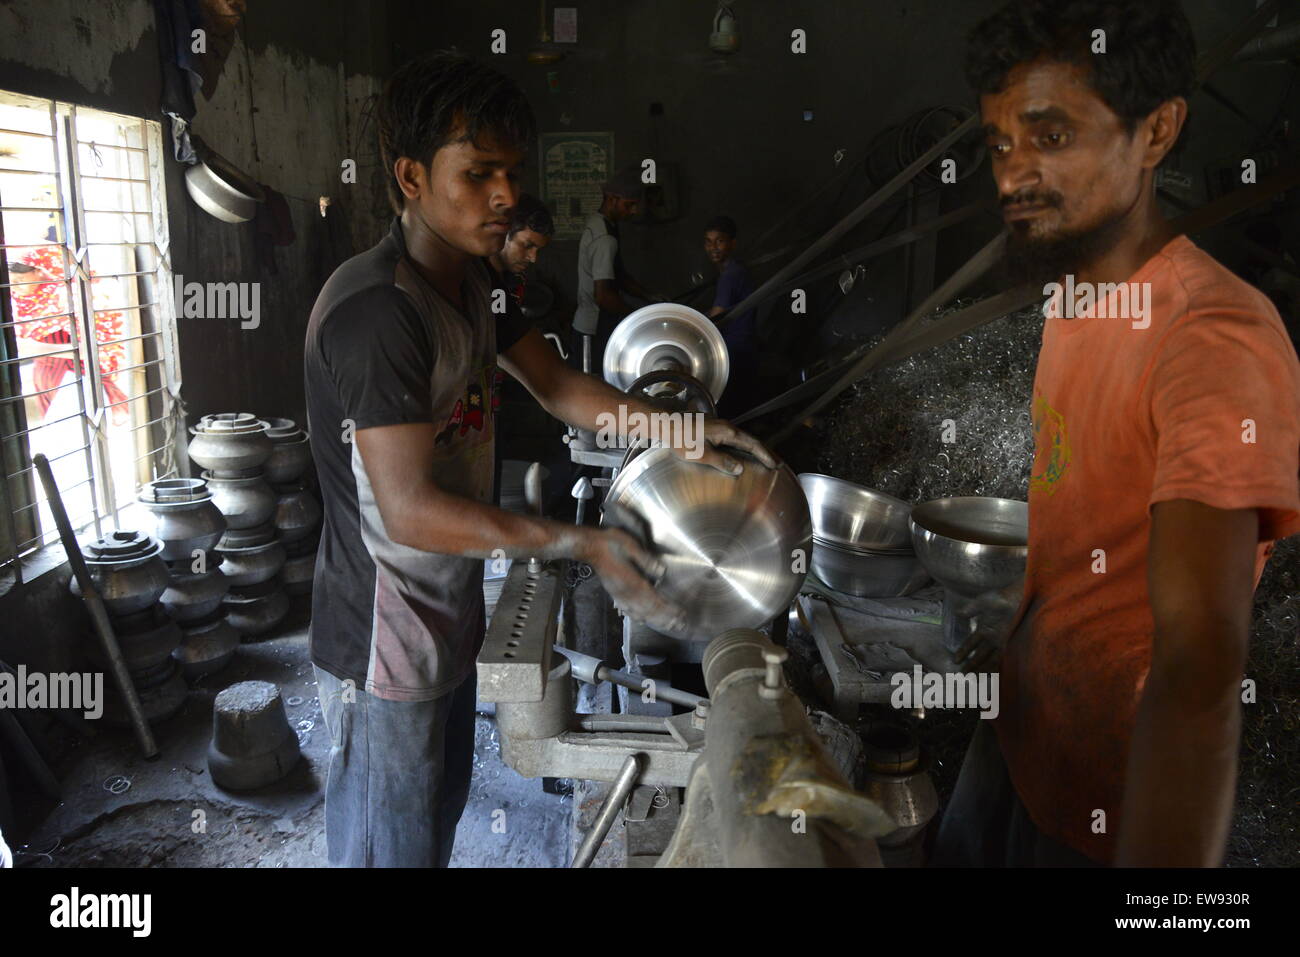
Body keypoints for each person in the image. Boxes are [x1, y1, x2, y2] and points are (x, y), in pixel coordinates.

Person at [303, 51, 775, 868]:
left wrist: (682, 431)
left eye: (510, 173)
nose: (504, 196)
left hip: (444, 612)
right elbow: (410, 508)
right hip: (381, 640)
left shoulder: (474, 283)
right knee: (388, 850)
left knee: (431, 827)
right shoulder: (380, 311)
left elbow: (558, 386)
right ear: (411, 177)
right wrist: (583, 541)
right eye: (478, 172)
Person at [933, 0, 1300, 868]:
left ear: (1158, 130)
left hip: (1111, 805)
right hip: (1022, 733)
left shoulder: (1213, 341)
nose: (1013, 176)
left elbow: (1200, 668)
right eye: (999, 144)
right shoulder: (1076, 292)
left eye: (1050, 137)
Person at [573, 166, 658, 372]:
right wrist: (636, 316)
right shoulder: (606, 240)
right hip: (593, 330)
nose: (633, 211)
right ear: (612, 199)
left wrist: (649, 297)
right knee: (595, 388)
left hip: (588, 324)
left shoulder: (599, 222)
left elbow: (617, 275)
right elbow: (603, 296)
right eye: (629, 205)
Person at [703, 215, 759, 417]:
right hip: (742, 347)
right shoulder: (733, 270)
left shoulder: (730, 275)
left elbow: (717, 317)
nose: (713, 247)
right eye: (708, 242)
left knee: (730, 413)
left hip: (735, 351)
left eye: (720, 241)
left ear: (732, 243)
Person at [488, 192, 553, 309]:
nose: (533, 258)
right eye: (527, 246)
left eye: (538, 250)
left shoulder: (516, 279)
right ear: (503, 233)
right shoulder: (471, 280)